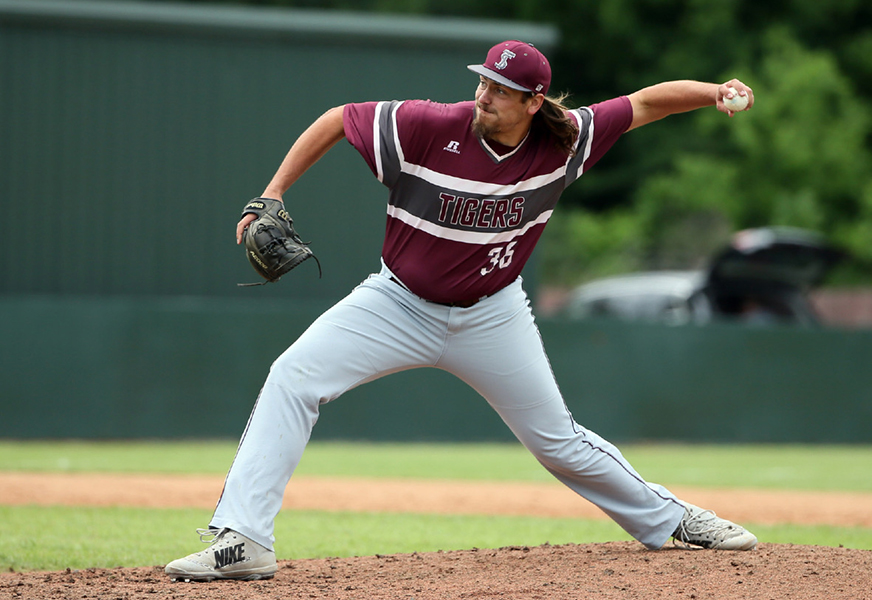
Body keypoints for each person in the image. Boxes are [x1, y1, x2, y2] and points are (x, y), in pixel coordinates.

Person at [165, 40, 758, 583]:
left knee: (558, 441)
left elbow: (646, 103)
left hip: (491, 313)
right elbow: (337, 120)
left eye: (500, 90)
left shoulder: (566, 140)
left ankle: (677, 519)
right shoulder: (430, 125)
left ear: (534, 101)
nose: (484, 97)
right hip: (396, 302)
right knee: (293, 377)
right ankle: (244, 539)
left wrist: (714, 94)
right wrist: (272, 194)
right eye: (483, 83)